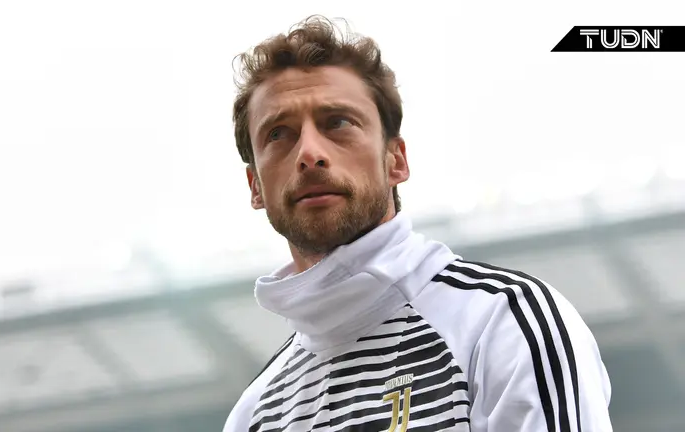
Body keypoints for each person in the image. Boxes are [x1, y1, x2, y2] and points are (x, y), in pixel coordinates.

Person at [223, 15, 612, 432]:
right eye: (278, 134)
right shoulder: (253, 413)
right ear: (255, 186)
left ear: (396, 160)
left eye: (338, 122)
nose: (310, 154)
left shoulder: (503, 321)